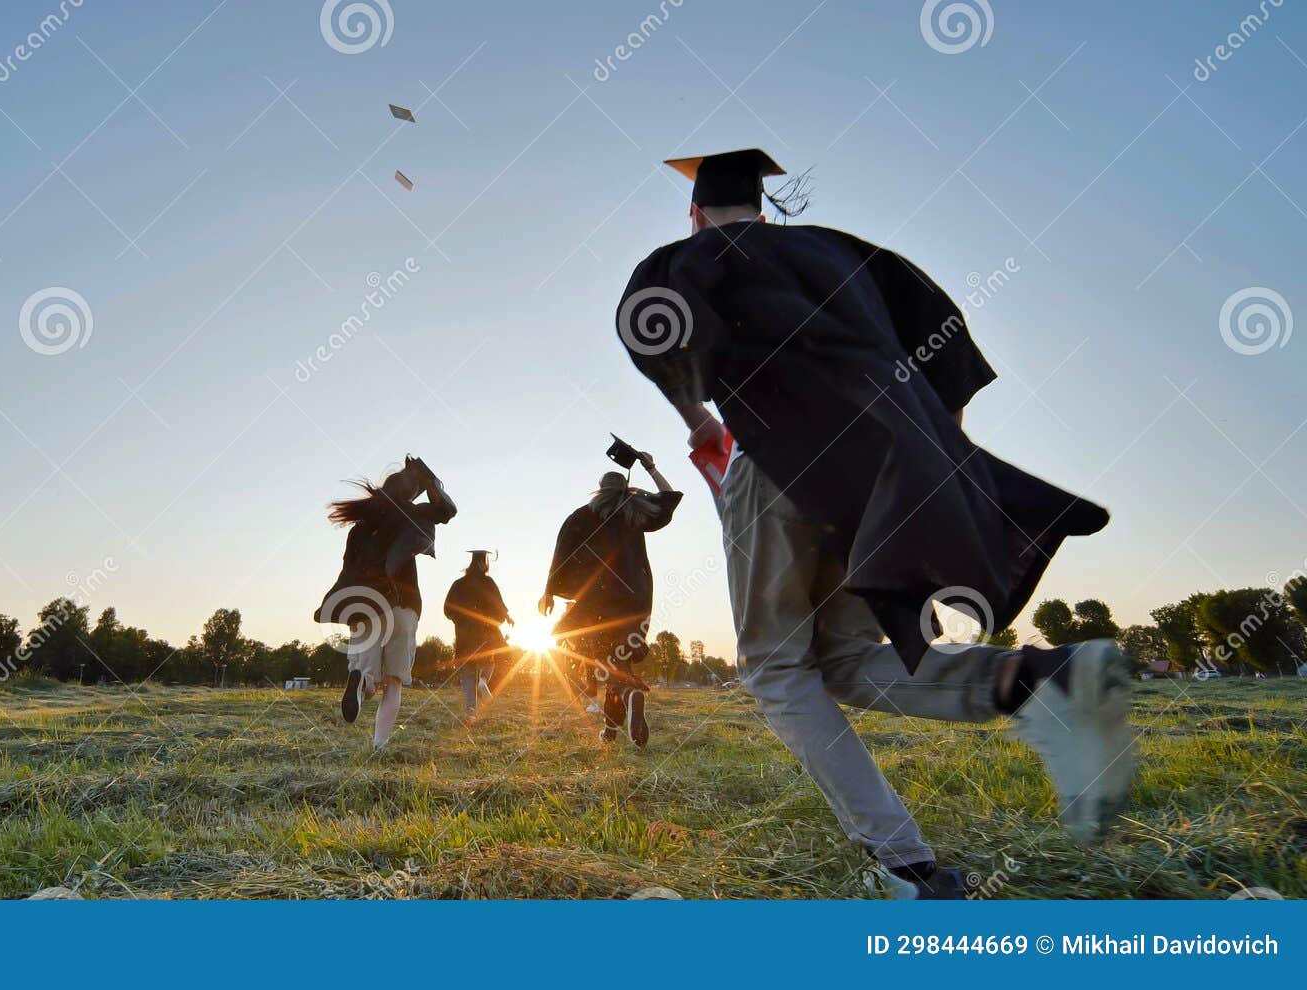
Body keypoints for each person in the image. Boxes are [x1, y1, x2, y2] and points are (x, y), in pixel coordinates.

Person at [615, 148, 1133, 898]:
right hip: (888, 471)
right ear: (764, 207)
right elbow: (951, 356)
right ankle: (1039, 679)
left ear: (695, 212)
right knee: (847, 660)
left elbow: (654, 336)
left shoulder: (688, 258)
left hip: (779, 454)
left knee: (775, 666)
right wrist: (923, 466)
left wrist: (702, 420)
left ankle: (907, 869)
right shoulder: (851, 254)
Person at [539, 453, 681, 747]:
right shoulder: (635, 511)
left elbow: (561, 552)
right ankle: (611, 731)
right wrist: (651, 467)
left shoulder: (582, 516)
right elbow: (668, 499)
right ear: (625, 488)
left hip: (597, 603)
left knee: (600, 659)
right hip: (634, 599)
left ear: (600, 488)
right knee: (618, 662)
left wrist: (549, 590)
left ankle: (626, 696)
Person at [316, 456, 456, 750]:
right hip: (404, 605)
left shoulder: (360, 528)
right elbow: (447, 510)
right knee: (393, 682)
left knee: (367, 674)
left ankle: (362, 682)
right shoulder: (413, 514)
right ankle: (379, 744)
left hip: (367, 605)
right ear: (410, 492)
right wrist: (430, 480)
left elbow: (348, 570)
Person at [443, 550, 513, 724]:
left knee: (468, 673)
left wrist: (460, 619)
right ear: (483, 563)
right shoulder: (488, 583)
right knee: (489, 662)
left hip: (464, 636)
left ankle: (471, 714)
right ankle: (483, 680)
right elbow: (499, 606)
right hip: (485, 633)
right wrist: (504, 617)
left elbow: (448, 610)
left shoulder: (458, 584)